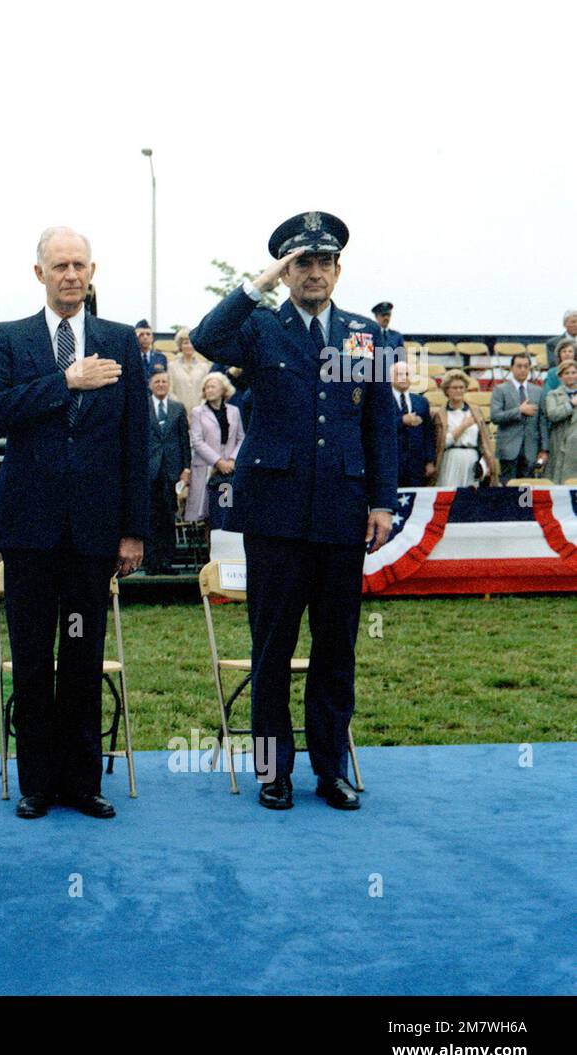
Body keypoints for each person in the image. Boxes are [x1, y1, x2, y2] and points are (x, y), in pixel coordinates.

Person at [190, 211, 397, 812]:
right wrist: (259, 282)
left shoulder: (365, 335)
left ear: (338, 269)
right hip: (275, 515)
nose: (314, 273)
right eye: (301, 263)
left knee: (336, 647)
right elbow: (206, 337)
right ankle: (271, 771)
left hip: (341, 511)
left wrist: (382, 501)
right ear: (286, 270)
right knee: (271, 647)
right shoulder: (259, 328)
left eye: (324, 262)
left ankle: (330, 769)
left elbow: (378, 423)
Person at [0, 225, 147, 820]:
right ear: (39, 274)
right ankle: (37, 783)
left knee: (81, 653)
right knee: (31, 655)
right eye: (60, 265)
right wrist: (64, 382)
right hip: (29, 530)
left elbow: (136, 441)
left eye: (80, 265)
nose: (71, 275)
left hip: (94, 533)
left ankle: (82, 781)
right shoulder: (12, 338)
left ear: (92, 271)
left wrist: (133, 529)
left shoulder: (122, 341)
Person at [144, 365, 190, 573]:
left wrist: (186, 468)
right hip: (149, 470)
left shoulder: (178, 408)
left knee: (168, 517)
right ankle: (152, 562)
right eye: (157, 382)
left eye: (164, 381)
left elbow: (184, 440)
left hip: (171, 471)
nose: (161, 385)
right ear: (150, 385)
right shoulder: (142, 407)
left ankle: (167, 562)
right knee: (151, 517)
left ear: (169, 385)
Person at [185, 370, 244, 528]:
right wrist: (218, 461)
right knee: (207, 515)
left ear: (223, 389)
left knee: (224, 508)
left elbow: (240, 438)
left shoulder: (234, 411)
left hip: (228, 471)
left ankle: (224, 550)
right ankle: (209, 550)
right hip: (207, 468)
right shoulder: (198, 412)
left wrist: (231, 459)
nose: (209, 390)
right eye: (206, 387)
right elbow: (197, 441)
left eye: (213, 386)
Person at [432, 369, 496, 487]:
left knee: (470, 497)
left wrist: (487, 463)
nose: (458, 390)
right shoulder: (440, 414)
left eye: (461, 387)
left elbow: (483, 441)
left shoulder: (475, 411)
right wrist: (463, 426)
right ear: (447, 390)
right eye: (454, 387)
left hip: (472, 459)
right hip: (451, 459)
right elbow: (443, 443)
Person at [490, 353, 548, 481]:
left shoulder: (538, 391)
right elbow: (495, 416)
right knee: (508, 491)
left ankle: (524, 502)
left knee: (527, 492)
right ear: (511, 368)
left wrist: (544, 449)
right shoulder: (500, 390)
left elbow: (542, 422)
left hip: (531, 450)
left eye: (526, 366)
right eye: (519, 366)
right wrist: (519, 411)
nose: (523, 369)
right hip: (508, 449)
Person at [392, 360, 435, 487]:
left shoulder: (421, 401)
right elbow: (377, 428)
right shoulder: (382, 401)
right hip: (391, 463)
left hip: (416, 464)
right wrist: (402, 421)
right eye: (399, 374)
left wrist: (430, 461)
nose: (404, 378)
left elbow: (428, 434)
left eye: (407, 374)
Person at [544, 358, 577, 483]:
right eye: (567, 373)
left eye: (573, 372)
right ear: (560, 376)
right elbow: (552, 414)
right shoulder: (553, 394)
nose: (571, 376)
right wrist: (570, 404)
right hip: (559, 443)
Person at [166, 327, 210, 413]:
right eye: (185, 343)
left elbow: (207, 391)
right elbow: (170, 392)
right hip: (179, 413)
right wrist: (179, 407)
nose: (189, 346)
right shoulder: (171, 367)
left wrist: (201, 407)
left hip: (200, 412)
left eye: (191, 343)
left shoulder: (204, 367)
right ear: (180, 346)